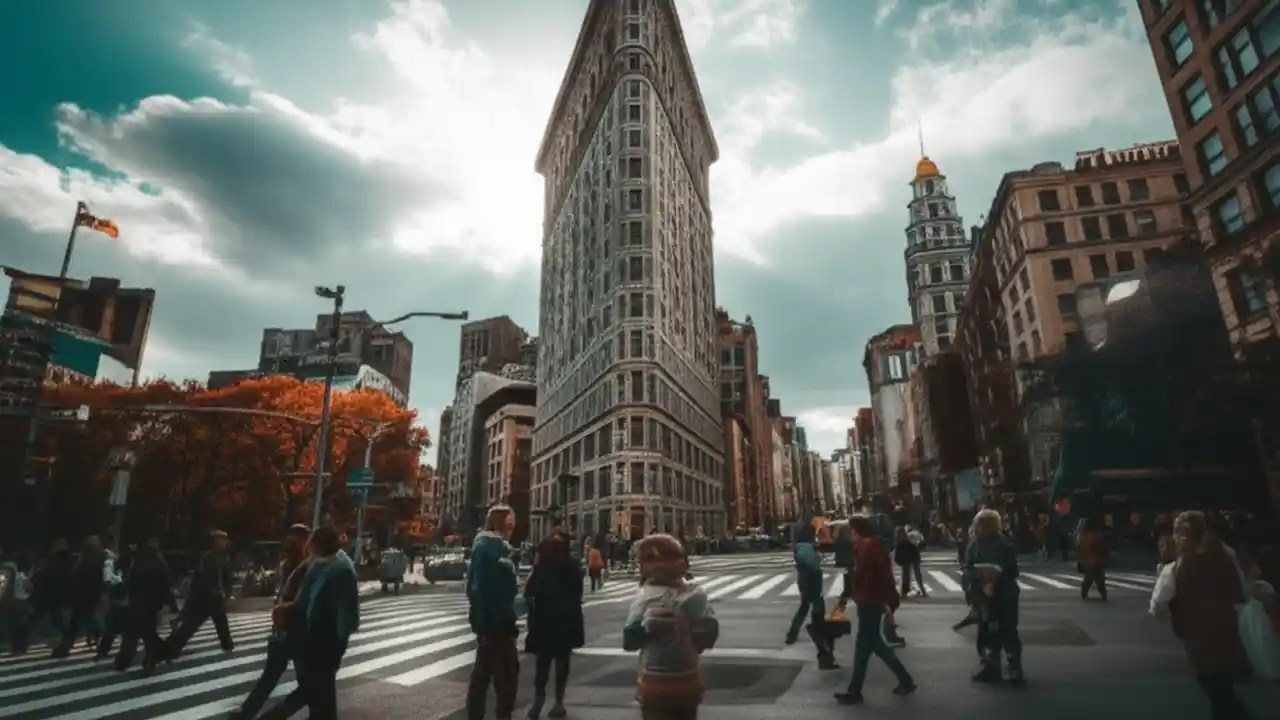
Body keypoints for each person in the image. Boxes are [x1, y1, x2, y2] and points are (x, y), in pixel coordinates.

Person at [1154, 511, 1254, 719]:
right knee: (1221, 687)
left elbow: (1160, 605)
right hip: (1226, 626)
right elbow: (1242, 592)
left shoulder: (1178, 565)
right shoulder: (1225, 554)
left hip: (1197, 632)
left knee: (1215, 688)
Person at [258, 525, 360, 720]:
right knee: (316, 692)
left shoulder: (340, 571)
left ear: (317, 545)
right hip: (310, 639)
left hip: (326, 641)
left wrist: (338, 641)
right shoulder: (319, 565)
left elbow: (346, 612)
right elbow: (304, 602)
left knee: (316, 691)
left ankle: (272, 717)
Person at [623, 533, 718, 720]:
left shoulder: (646, 598)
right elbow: (709, 634)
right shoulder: (695, 595)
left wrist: (651, 626)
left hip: (655, 678)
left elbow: (630, 641)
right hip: (688, 677)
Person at [229, 524, 312, 720]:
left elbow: (282, 595)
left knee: (270, 677)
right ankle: (275, 715)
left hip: (282, 628)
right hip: (299, 629)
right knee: (309, 683)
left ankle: (246, 713)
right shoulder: (306, 567)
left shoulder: (287, 565)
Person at [834, 515, 915, 705]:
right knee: (867, 646)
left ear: (857, 532)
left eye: (851, 532)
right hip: (870, 601)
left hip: (870, 602)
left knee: (871, 645)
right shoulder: (871, 547)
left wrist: (852, 577)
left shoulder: (868, 549)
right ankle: (856, 690)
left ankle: (902, 681)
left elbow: (869, 577)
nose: (850, 536)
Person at [466, 505, 521, 720]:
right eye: (511, 522)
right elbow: (498, 589)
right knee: (507, 678)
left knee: (482, 677)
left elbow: (473, 588)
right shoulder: (494, 549)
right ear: (504, 524)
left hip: (485, 622)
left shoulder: (482, 547)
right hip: (498, 623)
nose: (513, 527)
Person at [522, 528, 584, 719]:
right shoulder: (573, 567)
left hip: (544, 621)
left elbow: (528, 592)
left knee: (543, 663)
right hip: (567, 621)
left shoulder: (543, 568)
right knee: (562, 662)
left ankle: (538, 700)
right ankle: (558, 702)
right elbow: (578, 593)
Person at [963, 508, 1024, 685]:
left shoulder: (1002, 545)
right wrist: (978, 576)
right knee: (989, 632)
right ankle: (994, 667)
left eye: (980, 524)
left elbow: (1012, 570)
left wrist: (995, 576)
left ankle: (1010, 668)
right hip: (985, 595)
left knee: (1005, 631)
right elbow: (967, 569)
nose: (977, 528)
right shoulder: (975, 546)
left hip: (1002, 594)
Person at [165, 530, 235, 660]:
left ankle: (227, 645)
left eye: (225, 540)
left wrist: (226, 594)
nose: (224, 543)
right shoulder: (207, 557)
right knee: (191, 624)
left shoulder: (224, 558)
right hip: (204, 597)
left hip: (216, 597)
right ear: (214, 542)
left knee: (221, 622)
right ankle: (171, 648)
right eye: (221, 540)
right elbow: (202, 578)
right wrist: (212, 591)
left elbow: (227, 578)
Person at [114, 538, 177, 672]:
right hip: (151, 604)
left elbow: (129, 580)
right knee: (147, 633)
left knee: (133, 633)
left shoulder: (138, 561)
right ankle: (153, 657)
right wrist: (170, 604)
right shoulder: (158, 562)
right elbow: (167, 584)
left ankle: (125, 661)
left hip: (138, 602)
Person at [784, 521, 837, 669]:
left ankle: (793, 634)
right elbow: (812, 563)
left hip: (806, 581)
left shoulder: (800, 547)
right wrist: (817, 558)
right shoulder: (805, 547)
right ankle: (822, 646)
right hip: (810, 582)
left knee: (805, 607)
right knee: (817, 610)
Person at [51, 535, 106, 657]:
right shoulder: (95, 560)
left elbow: (84, 577)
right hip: (86, 595)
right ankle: (98, 638)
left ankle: (65, 648)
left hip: (84, 594)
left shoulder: (89, 561)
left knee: (77, 622)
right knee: (82, 621)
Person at [94, 544, 131, 659]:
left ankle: (103, 651)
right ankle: (123, 654)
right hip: (126, 602)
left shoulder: (117, 566)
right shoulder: (130, 567)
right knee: (127, 631)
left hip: (120, 602)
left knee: (112, 629)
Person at [1076, 517, 1109, 602]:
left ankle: (1084, 593)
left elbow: (1079, 548)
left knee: (1088, 579)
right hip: (1096, 561)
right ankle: (1103, 594)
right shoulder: (1097, 536)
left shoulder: (1082, 536)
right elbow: (1102, 548)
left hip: (1087, 561)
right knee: (1099, 579)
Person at [830, 523, 855, 621]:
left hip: (844, 564)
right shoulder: (849, 541)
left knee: (848, 588)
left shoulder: (839, 540)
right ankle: (836, 611)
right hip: (850, 563)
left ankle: (837, 611)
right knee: (848, 590)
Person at [894, 527, 926, 598]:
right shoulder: (910, 535)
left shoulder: (909, 535)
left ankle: (905, 591)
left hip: (909, 550)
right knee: (911, 570)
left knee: (909, 570)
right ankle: (905, 591)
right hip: (908, 550)